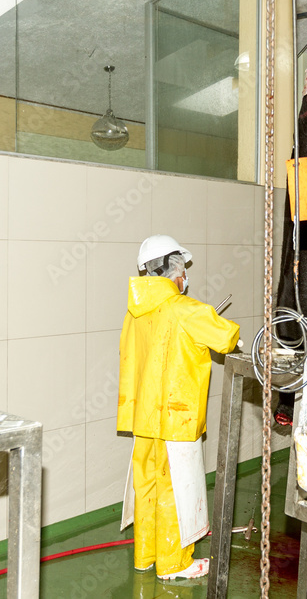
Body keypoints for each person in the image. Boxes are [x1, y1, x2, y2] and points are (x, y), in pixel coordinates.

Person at [117, 234, 240, 580]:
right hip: (176, 419)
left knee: (147, 487)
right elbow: (226, 337)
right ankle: (174, 564)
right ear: (175, 271)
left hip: (144, 419)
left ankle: (146, 556)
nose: (186, 276)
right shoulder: (187, 310)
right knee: (174, 489)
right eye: (184, 270)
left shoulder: (134, 313)